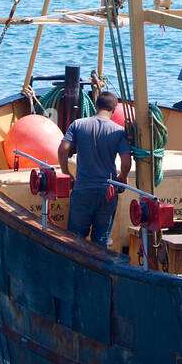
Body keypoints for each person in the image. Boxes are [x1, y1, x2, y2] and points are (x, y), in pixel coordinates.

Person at [58, 91, 131, 248]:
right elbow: (126, 161)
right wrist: (123, 177)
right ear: (113, 110)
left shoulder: (78, 125)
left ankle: (76, 269)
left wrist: (66, 172)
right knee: (101, 239)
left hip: (83, 189)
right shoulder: (119, 131)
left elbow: (63, 149)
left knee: (75, 239)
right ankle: (98, 271)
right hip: (108, 192)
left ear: (96, 106)